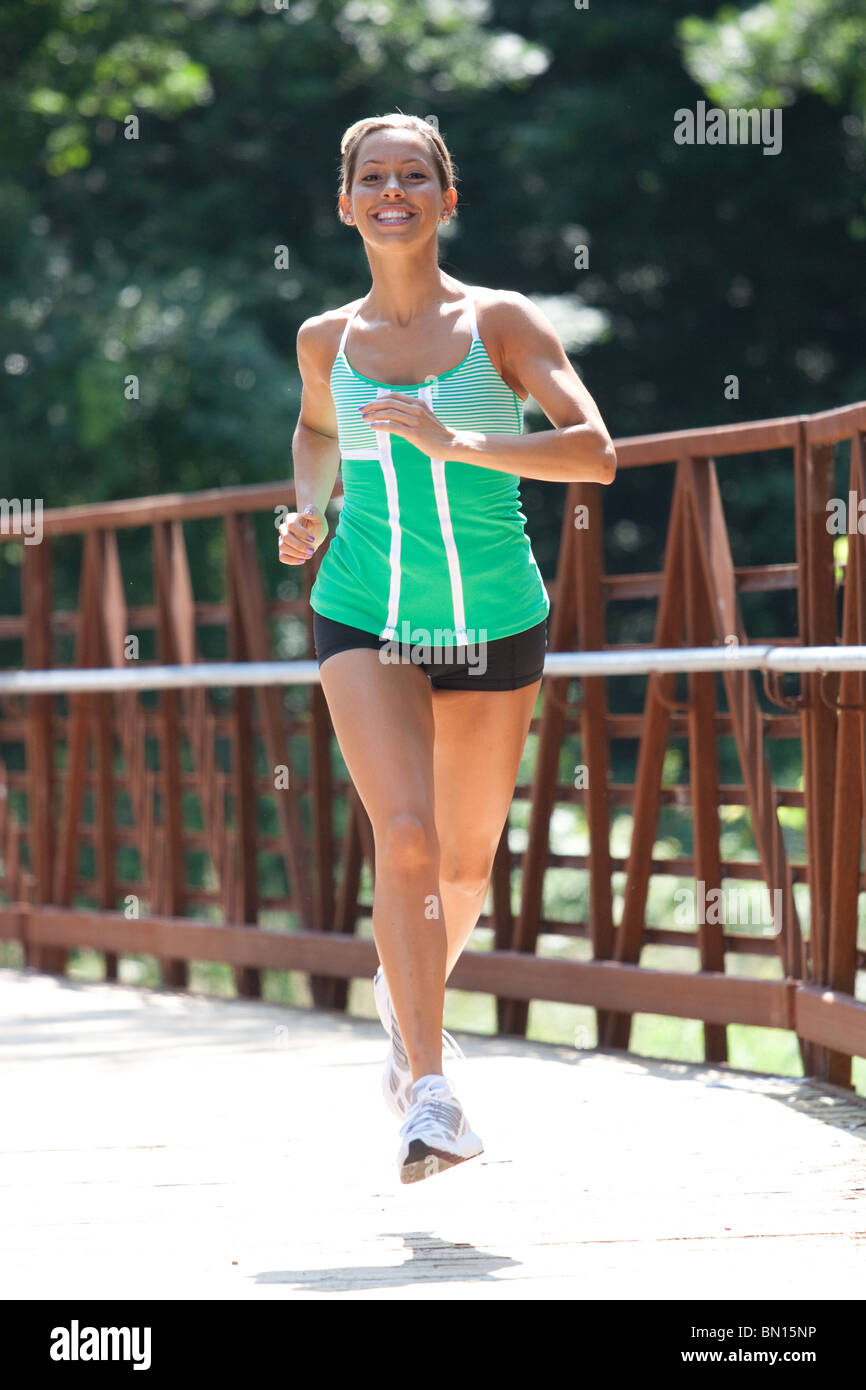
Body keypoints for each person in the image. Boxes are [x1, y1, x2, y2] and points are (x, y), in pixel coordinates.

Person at [279, 112, 616, 1184]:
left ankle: (402, 992)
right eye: (371, 177)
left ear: (444, 198)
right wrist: (307, 509)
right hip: (366, 610)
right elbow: (317, 431)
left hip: (492, 618)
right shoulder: (325, 340)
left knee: (464, 863)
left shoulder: (501, 322)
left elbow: (594, 453)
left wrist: (460, 440)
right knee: (408, 836)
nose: (392, 191)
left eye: (412, 176)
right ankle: (428, 1093)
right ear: (344, 203)